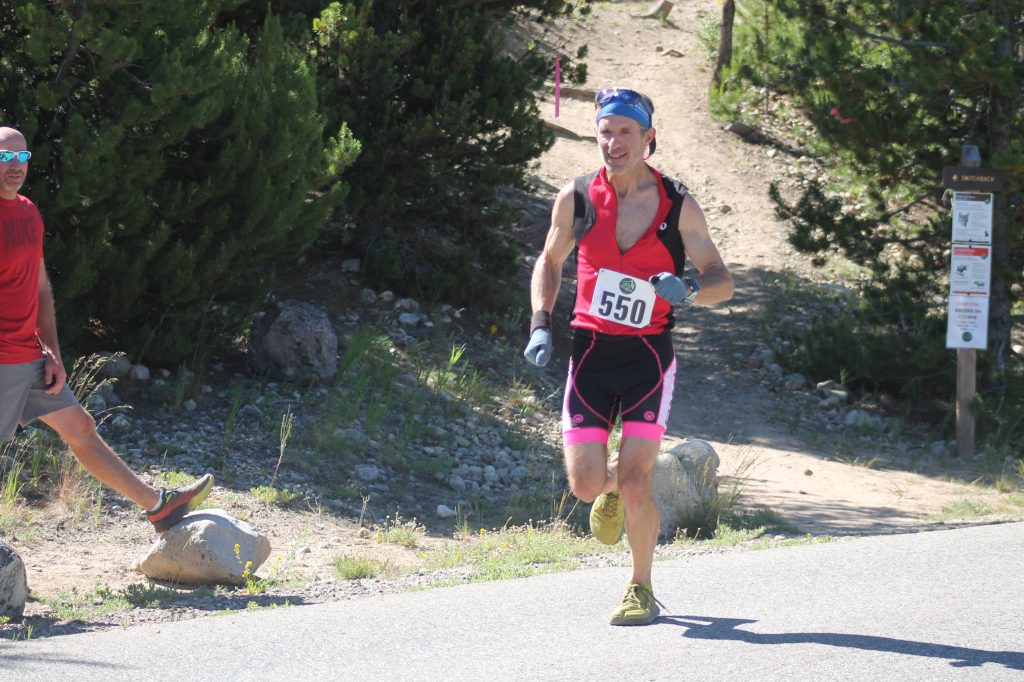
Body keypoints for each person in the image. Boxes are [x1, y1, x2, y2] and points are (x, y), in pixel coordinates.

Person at [524, 88, 734, 625]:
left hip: (647, 360)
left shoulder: (678, 204)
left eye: (625, 133)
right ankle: (611, 487)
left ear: (648, 138)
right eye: (605, 132)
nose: (613, 143)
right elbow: (549, 261)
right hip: (590, 355)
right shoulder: (577, 198)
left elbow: (722, 280)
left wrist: (690, 288)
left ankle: (640, 587)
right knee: (585, 485)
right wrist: (541, 323)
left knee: (639, 482)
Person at [0, 125, 212, 533]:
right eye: (5, 157)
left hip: (29, 355)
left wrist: (52, 352)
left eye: (22, 157)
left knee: (81, 428)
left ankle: (160, 508)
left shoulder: (27, 212)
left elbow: (40, 287)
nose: (15, 165)